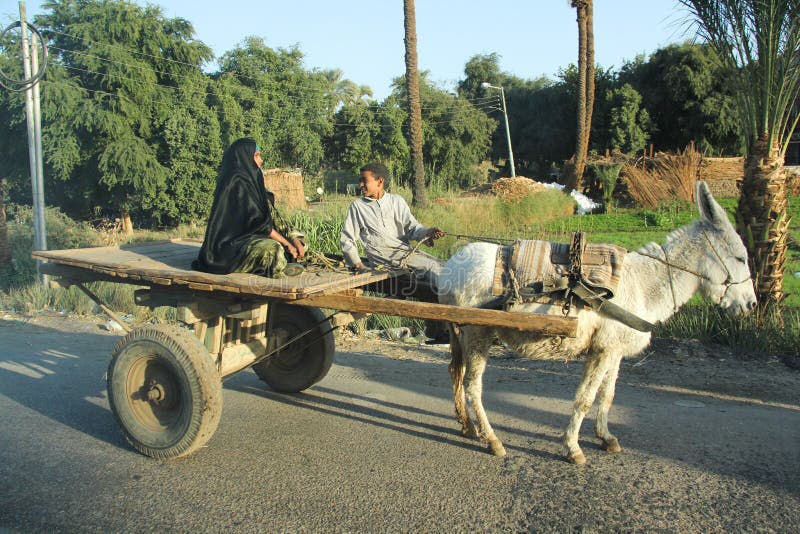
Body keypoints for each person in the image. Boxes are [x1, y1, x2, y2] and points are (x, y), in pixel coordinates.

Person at [340, 162, 449, 343]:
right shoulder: (357, 207)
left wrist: (428, 231)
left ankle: (440, 329)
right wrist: (357, 264)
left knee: (444, 267)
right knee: (434, 272)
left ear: (380, 181)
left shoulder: (396, 201)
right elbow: (347, 238)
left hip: (406, 253)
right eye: (360, 181)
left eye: (364, 181)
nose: (360, 185)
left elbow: (413, 228)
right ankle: (451, 328)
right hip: (385, 258)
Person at [195, 138, 304, 278]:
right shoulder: (235, 181)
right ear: (245, 157)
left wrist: (294, 241)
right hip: (231, 246)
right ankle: (278, 265)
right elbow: (258, 223)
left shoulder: (255, 178)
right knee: (273, 249)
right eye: (257, 155)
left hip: (253, 237)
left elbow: (273, 216)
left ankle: (282, 262)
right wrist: (287, 244)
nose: (261, 160)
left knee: (301, 240)